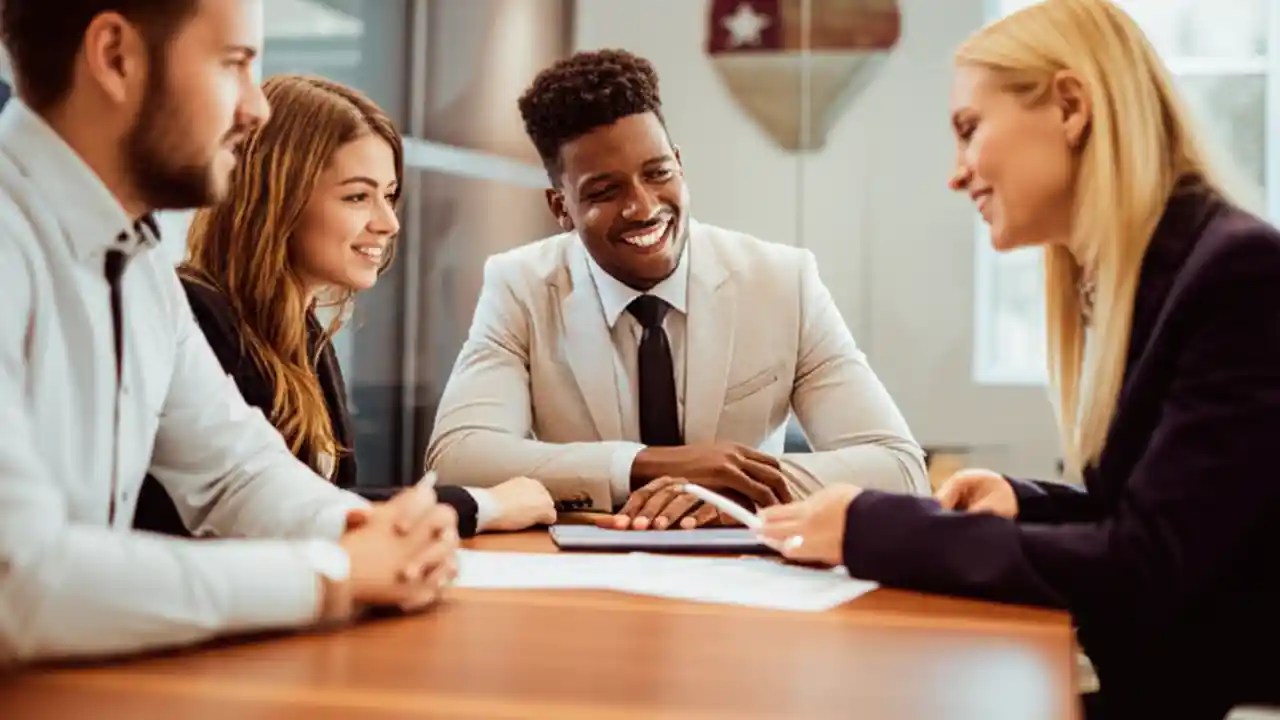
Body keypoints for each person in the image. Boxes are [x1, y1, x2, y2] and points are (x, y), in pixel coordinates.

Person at [757, 1, 1280, 717]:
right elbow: (1148, 511)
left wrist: (871, 528)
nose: (956, 173)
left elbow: (1149, 564)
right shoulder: (1152, 274)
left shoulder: (1237, 273)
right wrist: (1022, 503)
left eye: (969, 130)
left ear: (1070, 105)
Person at [0, 0, 458, 663]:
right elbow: (19, 577)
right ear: (115, 57)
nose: (256, 109)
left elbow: (234, 472)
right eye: (234, 64)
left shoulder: (140, 261)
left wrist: (369, 530)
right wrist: (330, 574)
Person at [426, 49, 928, 531]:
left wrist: (733, 489)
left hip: (746, 577)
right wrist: (646, 466)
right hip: (588, 573)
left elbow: (900, 467)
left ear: (680, 165)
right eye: (605, 191)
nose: (642, 208)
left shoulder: (782, 281)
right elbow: (459, 458)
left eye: (657, 173)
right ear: (561, 208)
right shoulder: (520, 286)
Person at [133, 74, 555, 540]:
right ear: (278, 199)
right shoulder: (199, 318)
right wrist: (482, 504)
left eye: (389, 195)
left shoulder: (303, 332)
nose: (388, 222)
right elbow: (292, 512)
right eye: (358, 196)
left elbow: (323, 502)